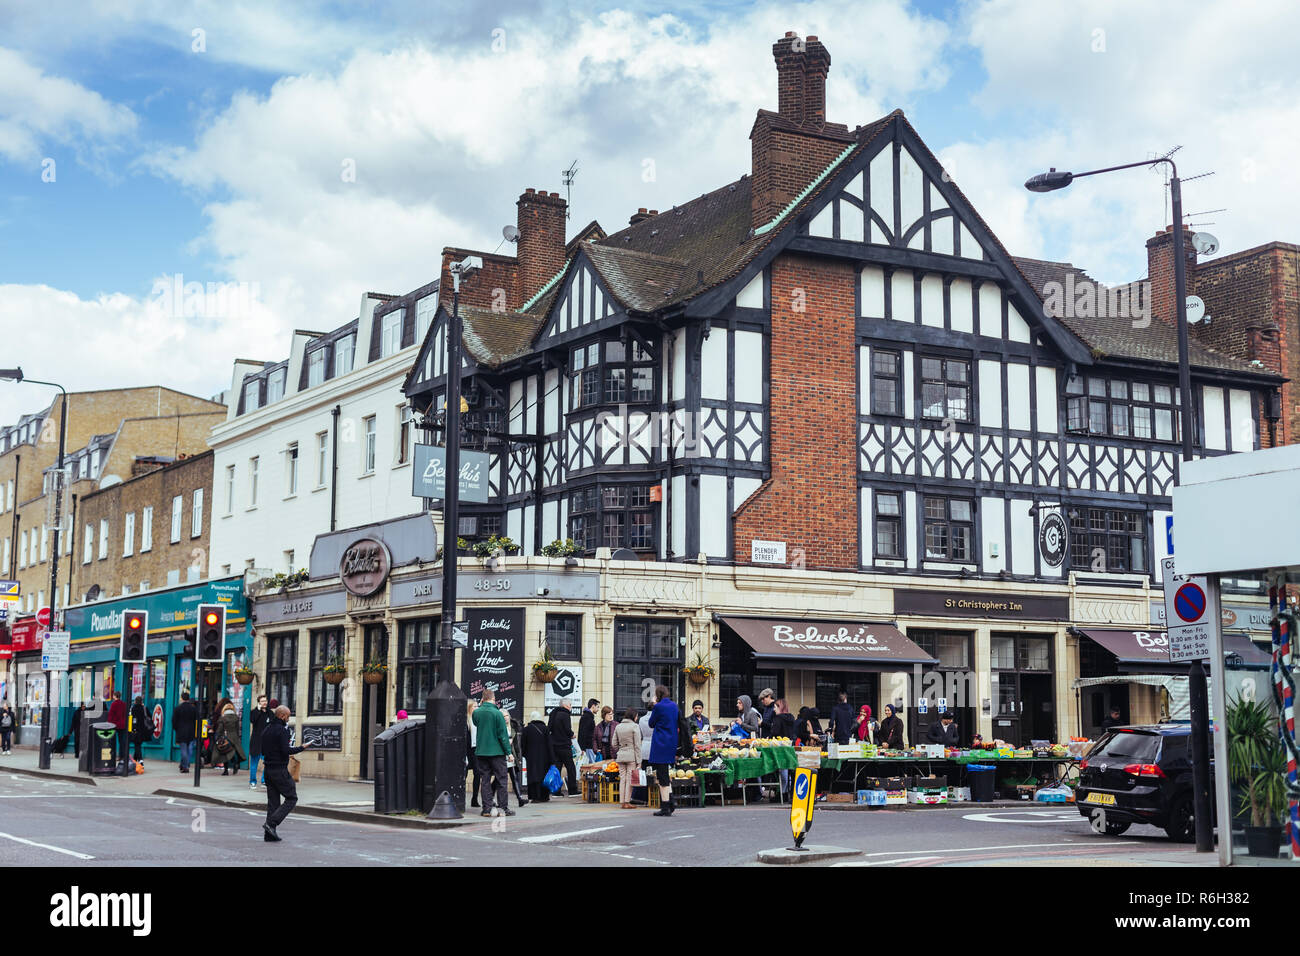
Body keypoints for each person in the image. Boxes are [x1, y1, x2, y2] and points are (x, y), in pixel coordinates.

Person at [261, 704, 311, 842]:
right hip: (279, 770)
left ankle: (269, 835)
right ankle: (271, 824)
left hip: (268, 770)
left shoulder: (266, 730)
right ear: (282, 716)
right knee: (292, 798)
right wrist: (302, 748)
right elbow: (286, 750)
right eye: (288, 716)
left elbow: (263, 751)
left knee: (273, 803)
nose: (288, 719)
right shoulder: (282, 731)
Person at [471, 688, 514, 817]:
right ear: (494, 699)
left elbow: (475, 722)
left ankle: (486, 809)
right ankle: (503, 808)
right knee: (501, 780)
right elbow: (503, 736)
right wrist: (509, 752)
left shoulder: (476, 713)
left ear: (482, 699)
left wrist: (480, 705)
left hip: (481, 752)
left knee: (485, 780)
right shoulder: (497, 714)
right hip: (497, 753)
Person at [648, 685, 679, 817]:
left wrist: (655, 704)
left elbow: (651, 723)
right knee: (665, 772)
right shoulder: (674, 706)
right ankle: (671, 801)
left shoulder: (658, 707)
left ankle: (665, 806)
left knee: (662, 776)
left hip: (660, 743)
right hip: (672, 742)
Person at [547, 699, 578, 796]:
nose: (571, 707)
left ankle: (556, 791)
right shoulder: (565, 714)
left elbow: (549, 728)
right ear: (565, 705)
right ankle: (572, 790)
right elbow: (567, 729)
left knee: (557, 768)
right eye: (570, 704)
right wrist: (572, 735)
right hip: (564, 745)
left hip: (554, 746)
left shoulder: (553, 713)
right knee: (571, 768)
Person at [614, 707, 642, 809]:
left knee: (622, 779)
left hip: (621, 755)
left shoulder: (618, 726)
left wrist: (621, 750)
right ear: (634, 716)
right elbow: (637, 745)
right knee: (630, 779)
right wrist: (639, 761)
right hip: (631, 756)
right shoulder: (635, 726)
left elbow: (614, 743)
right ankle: (627, 802)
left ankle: (622, 802)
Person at [522, 711, 552, 803]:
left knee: (533, 776)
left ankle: (535, 796)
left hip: (531, 757)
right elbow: (550, 745)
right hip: (545, 758)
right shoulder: (545, 729)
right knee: (543, 776)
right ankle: (544, 796)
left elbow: (523, 745)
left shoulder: (526, 729)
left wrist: (525, 754)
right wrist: (552, 758)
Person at [504, 711, 528, 806]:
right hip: (503, 755)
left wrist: (518, 757)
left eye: (506, 715)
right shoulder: (500, 727)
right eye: (503, 716)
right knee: (499, 779)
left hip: (511, 755)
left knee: (514, 777)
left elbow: (516, 745)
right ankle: (492, 797)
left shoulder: (513, 727)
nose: (505, 718)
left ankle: (519, 798)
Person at [216, 699, 245, 775]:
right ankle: (235, 764)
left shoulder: (223, 718)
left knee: (225, 753)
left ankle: (226, 770)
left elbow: (220, 729)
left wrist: (218, 736)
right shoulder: (236, 717)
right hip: (234, 737)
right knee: (234, 752)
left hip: (226, 737)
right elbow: (237, 728)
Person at [172, 692, 198, 773]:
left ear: (182, 698)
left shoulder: (177, 708)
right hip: (191, 731)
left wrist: (177, 729)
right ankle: (184, 764)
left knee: (183, 750)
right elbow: (196, 720)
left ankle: (185, 766)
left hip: (181, 732)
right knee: (189, 749)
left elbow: (174, 721)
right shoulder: (193, 709)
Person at [248, 695, 270, 789]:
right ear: (259, 702)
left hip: (267, 742)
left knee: (267, 763)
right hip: (256, 742)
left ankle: (264, 781)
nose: (264, 702)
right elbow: (253, 720)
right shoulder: (254, 712)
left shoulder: (270, 713)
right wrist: (258, 710)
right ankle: (252, 781)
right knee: (254, 764)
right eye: (262, 701)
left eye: (265, 701)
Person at [466, 699, 481, 807]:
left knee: (478, 773)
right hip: (467, 750)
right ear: (469, 708)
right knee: (464, 774)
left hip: (477, 750)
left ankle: (474, 798)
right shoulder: (466, 720)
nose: (477, 708)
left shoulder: (479, 719)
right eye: (474, 706)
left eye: (477, 706)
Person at [129, 696, 152, 764]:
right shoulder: (144, 708)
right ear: (141, 701)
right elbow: (150, 717)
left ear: (135, 701)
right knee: (138, 744)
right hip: (143, 730)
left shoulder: (133, 708)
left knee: (137, 744)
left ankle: (140, 760)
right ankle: (135, 760)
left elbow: (130, 718)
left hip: (135, 729)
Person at [107, 692, 128, 766]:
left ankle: (113, 755)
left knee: (112, 741)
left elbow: (111, 714)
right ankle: (122, 756)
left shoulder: (114, 704)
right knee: (122, 741)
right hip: (123, 725)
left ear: (115, 696)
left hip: (115, 725)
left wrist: (109, 723)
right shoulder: (124, 704)